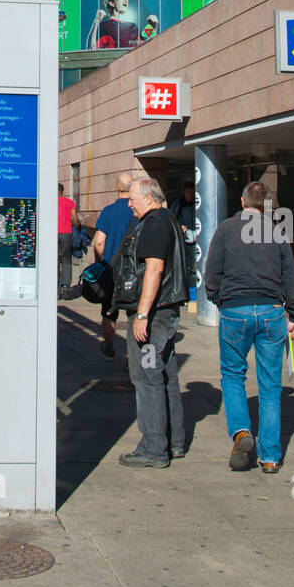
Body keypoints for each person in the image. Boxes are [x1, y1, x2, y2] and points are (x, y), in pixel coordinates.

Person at [204, 181, 294, 473]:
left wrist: (220, 299)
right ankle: (271, 457)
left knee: (233, 374)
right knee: (270, 385)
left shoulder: (225, 229)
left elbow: (212, 272)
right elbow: (290, 275)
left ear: (242, 201)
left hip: (236, 308)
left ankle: (241, 432)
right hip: (272, 311)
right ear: (267, 205)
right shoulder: (277, 231)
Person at [118, 175, 189, 469]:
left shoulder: (155, 223)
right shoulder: (168, 220)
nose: (130, 205)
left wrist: (143, 314)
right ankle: (173, 442)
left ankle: (153, 447)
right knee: (165, 376)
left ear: (148, 198)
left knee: (147, 378)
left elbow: (155, 269)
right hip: (165, 312)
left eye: (132, 200)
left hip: (154, 314)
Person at [91, 172, 134, 359]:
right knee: (135, 312)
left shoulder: (108, 211)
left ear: (117, 189)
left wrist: (99, 263)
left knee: (109, 312)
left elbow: (99, 242)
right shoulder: (138, 210)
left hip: (111, 269)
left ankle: (109, 346)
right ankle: (134, 354)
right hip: (134, 270)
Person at [57, 183, 80, 300]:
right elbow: (74, 218)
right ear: (63, 191)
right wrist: (78, 228)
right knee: (66, 260)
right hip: (66, 233)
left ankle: (55, 289)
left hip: (53, 234)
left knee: (54, 261)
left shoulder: (49, 201)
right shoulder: (69, 202)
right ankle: (65, 287)